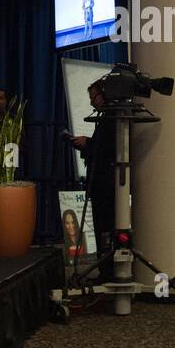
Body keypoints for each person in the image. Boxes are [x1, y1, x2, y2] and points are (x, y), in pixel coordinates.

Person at [71, 79, 114, 252]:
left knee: (103, 226)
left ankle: (106, 270)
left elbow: (106, 148)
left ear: (103, 94)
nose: (91, 101)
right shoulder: (106, 116)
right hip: (100, 183)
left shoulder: (110, 117)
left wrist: (86, 143)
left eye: (92, 96)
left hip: (104, 184)